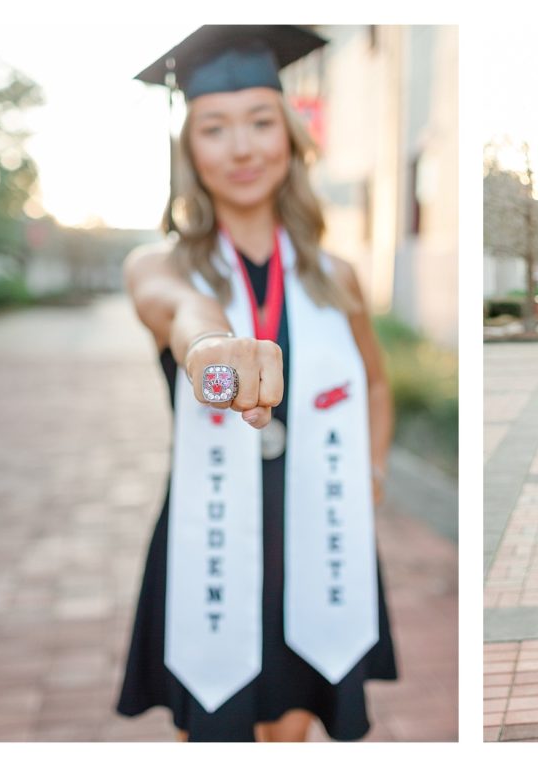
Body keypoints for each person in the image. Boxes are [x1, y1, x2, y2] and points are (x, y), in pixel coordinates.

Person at [117, 25, 397, 742]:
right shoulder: (163, 266)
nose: (241, 148)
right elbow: (181, 314)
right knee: (215, 727)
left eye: (260, 123)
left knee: (294, 730)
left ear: (292, 137)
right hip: (211, 518)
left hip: (320, 517)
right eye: (214, 128)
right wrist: (216, 343)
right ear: (190, 152)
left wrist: (368, 474)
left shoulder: (336, 277)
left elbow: (373, 382)